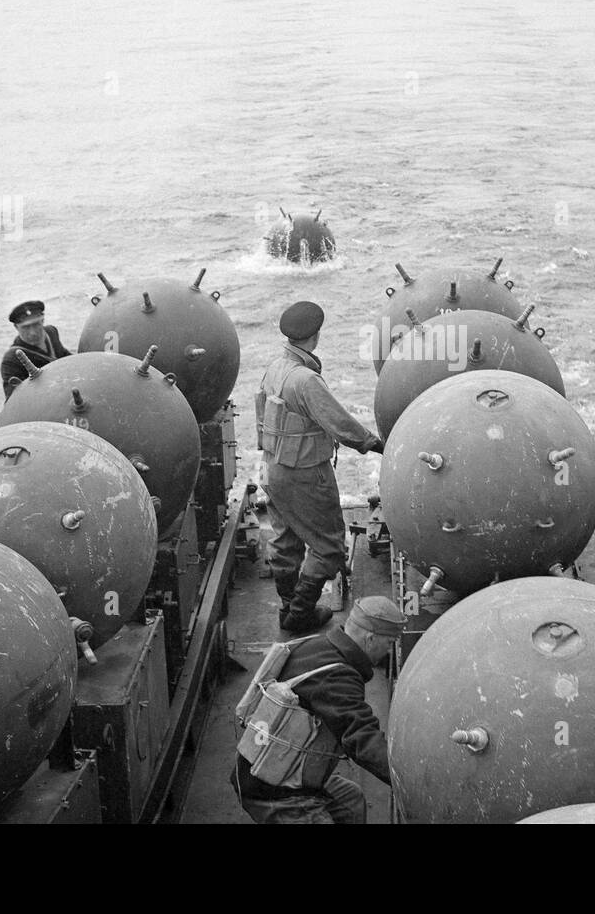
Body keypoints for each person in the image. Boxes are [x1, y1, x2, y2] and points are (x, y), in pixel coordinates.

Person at [256, 301, 383, 633]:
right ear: (315, 336)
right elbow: (340, 423)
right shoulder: (306, 380)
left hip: (273, 466)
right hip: (304, 472)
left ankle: (288, 608)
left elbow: (260, 413)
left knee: (285, 539)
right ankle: (300, 613)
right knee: (328, 546)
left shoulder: (274, 368)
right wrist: (375, 444)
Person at [233, 596, 406, 824]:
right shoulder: (338, 676)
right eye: (388, 643)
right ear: (371, 639)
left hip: (260, 767)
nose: (388, 651)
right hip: (275, 790)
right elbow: (361, 738)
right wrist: (406, 779)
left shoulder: (317, 645)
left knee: (350, 799)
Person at [0, 300, 72, 398]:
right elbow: (12, 402)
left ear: (42, 320)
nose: (33, 332)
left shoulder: (51, 332)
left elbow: (64, 355)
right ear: (16, 327)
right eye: (26, 327)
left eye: (36, 324)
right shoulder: (11, 361)